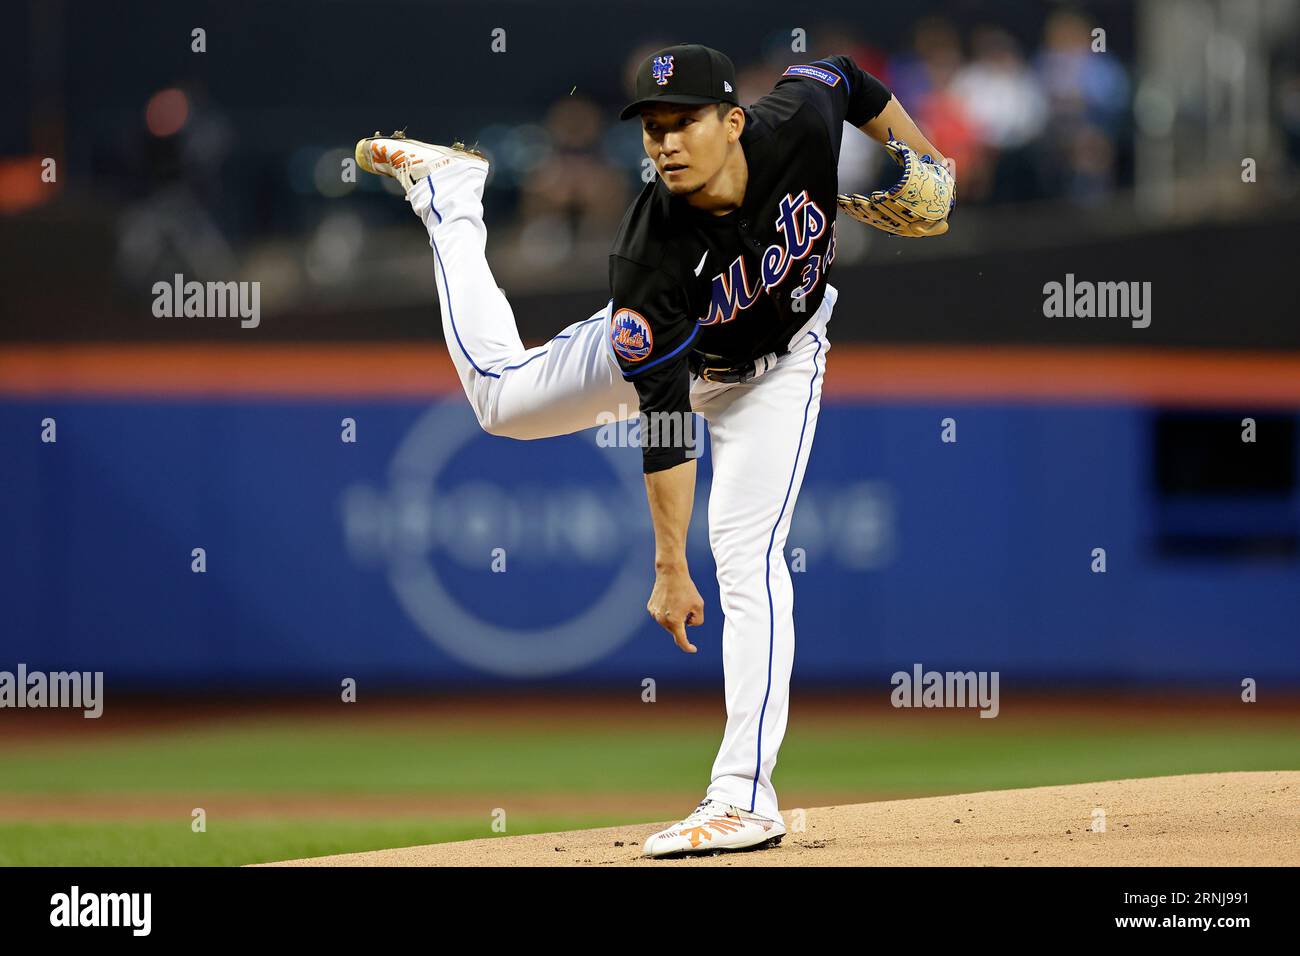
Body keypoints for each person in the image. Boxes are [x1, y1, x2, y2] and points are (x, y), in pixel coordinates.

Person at [355, 42, 950, 858]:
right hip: (679, 358)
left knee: (749, 555)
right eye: (651, 127)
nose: (665, 141)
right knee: (498, 402)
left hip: (782, 362)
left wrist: (921, 155)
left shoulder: (798, 124)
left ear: (733, 122)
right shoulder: (650, 249)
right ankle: (450, 195)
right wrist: (670, 565)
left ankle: (743, 797)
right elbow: (666, 424)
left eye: (684, 122)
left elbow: (843, 74)